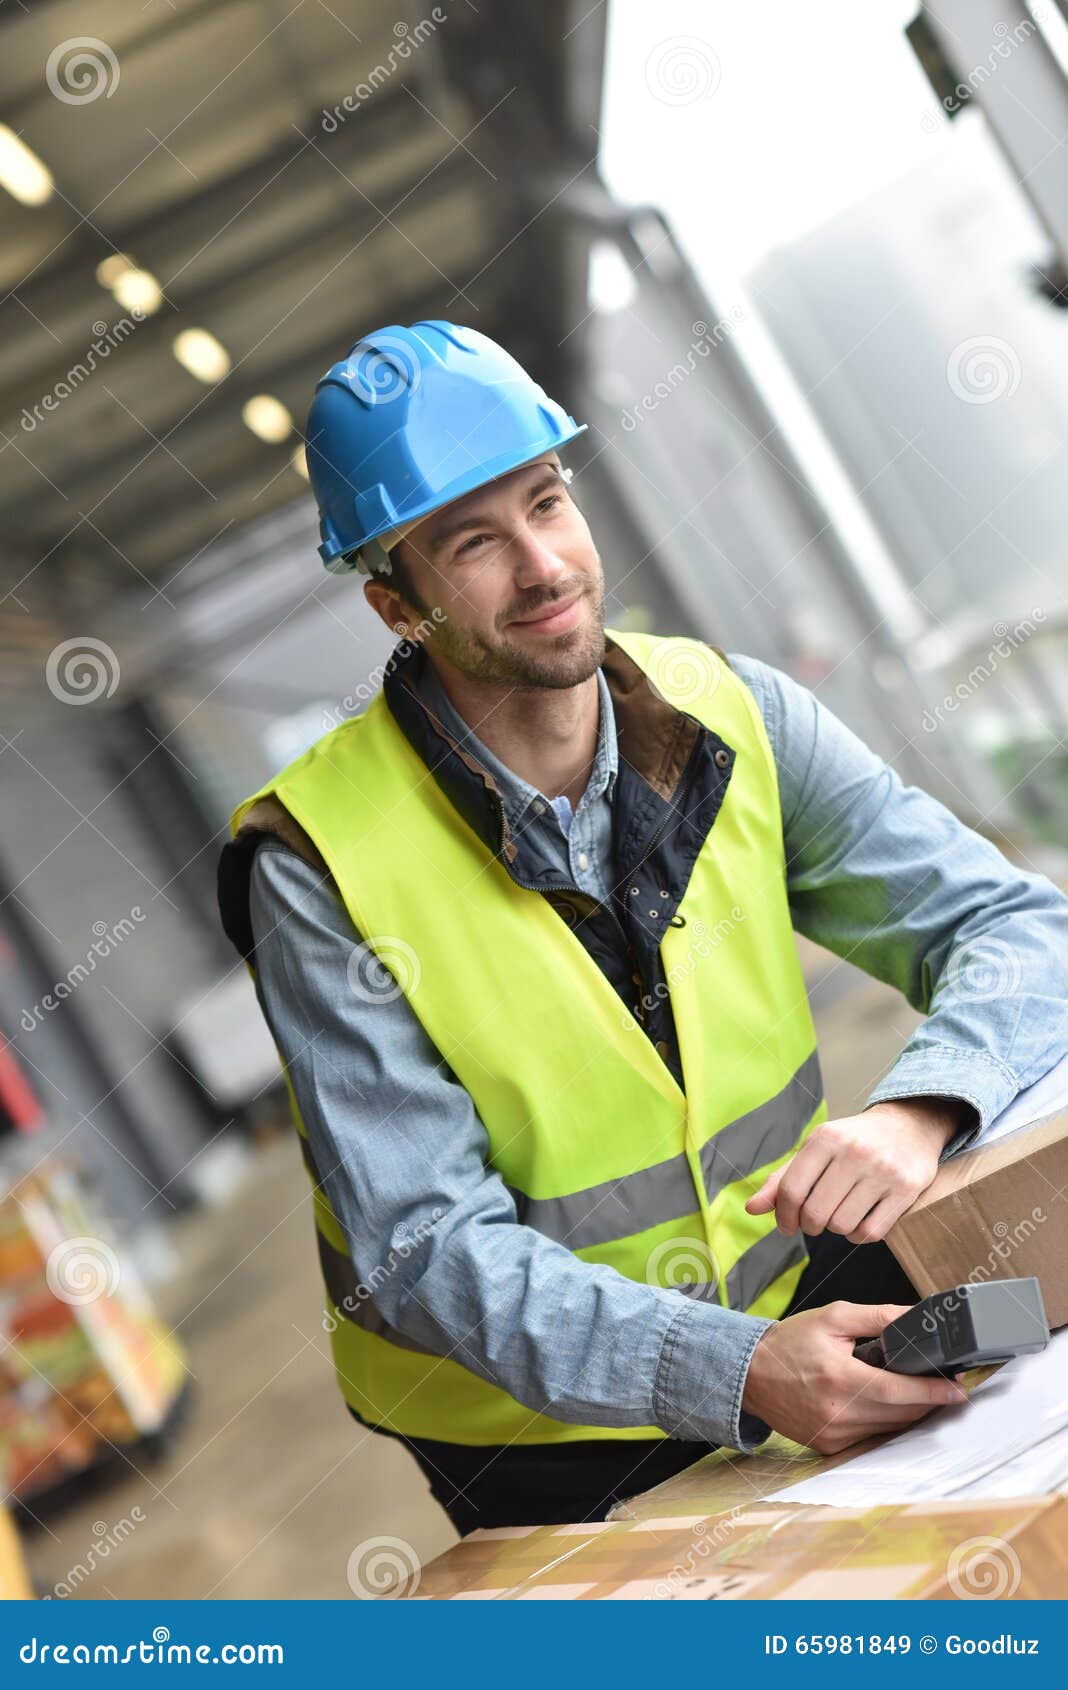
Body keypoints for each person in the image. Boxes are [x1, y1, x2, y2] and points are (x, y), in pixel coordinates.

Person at [217, 320, 1068, 1537]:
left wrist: (922, 1106)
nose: (542, 564)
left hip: (805, 1312)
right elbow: (425, 1249)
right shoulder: (314, 863)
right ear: (395, 605)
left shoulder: (737, 713)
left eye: (548, 502)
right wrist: (732, 1369)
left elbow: (1019, 926)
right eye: (474, 541)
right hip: (534, 1443)